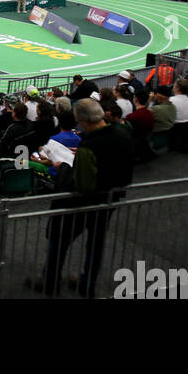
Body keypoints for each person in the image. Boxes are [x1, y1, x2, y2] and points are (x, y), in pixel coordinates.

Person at [34, 99, 133, 297]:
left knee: (59, 241)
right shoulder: (122, 134)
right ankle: (87, 283)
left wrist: (61, 167)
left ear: (83, 121)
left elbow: (83, 184)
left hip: (83, 203)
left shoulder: (90, 145)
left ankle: (50, 282)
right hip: (110, 200)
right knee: (96, 245)